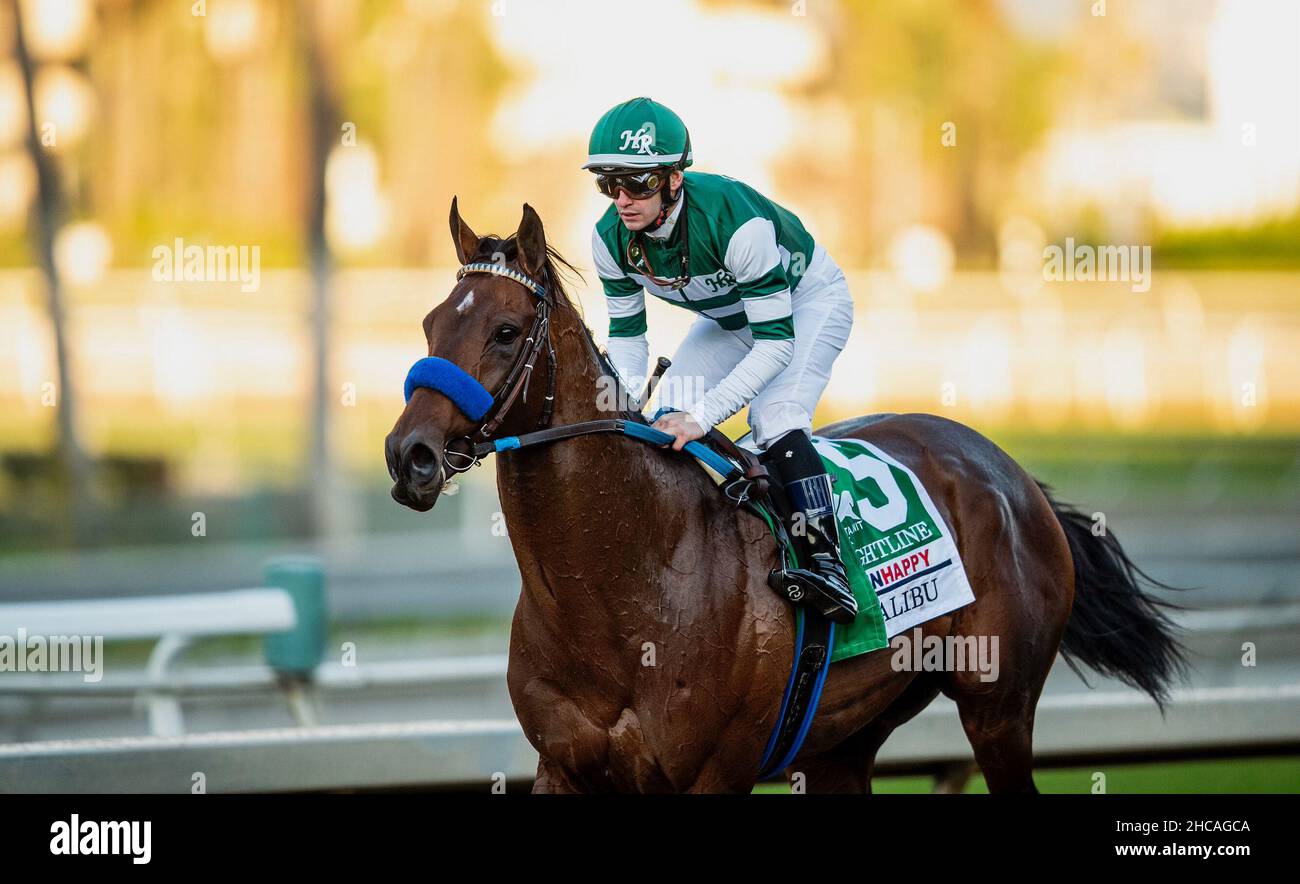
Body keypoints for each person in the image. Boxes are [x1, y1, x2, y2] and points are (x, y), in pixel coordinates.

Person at [585, 97, 858, 623]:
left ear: (673, 180)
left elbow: (776, 344)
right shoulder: (607, 239)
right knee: (655, 423)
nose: (622, 199)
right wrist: (617, 406)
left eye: (637, 183)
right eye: (608, 183)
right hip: (729, 319)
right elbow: (627, 340)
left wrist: (704, 416)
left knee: (774, 417)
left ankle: (827, 564)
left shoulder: (736, 224)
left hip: (805, 304)